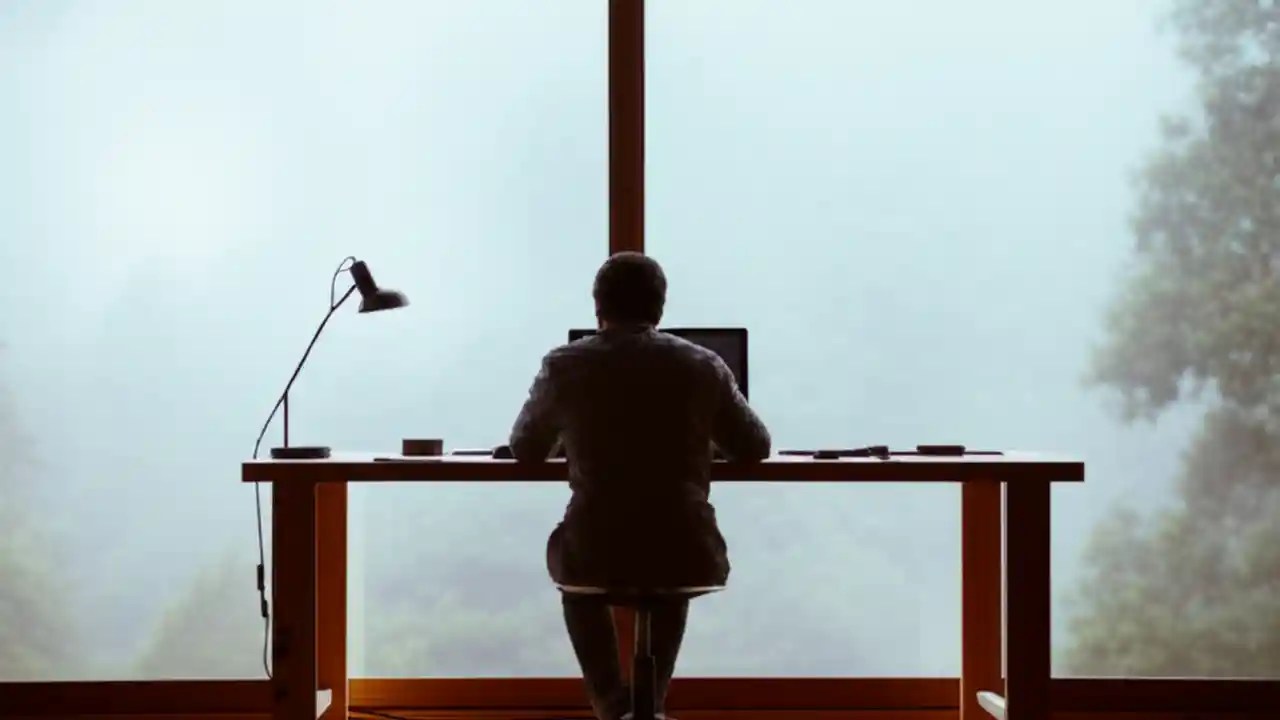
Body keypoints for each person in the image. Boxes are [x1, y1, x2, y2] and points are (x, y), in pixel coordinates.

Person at [508, 252, 772, 720]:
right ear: (660, 309)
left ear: (597, 308)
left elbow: (526, 448)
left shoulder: (564, 365)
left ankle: (612, 705)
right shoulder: (704, 365)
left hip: (595, 549)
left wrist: (575, 438)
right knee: (669, 570)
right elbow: (754, 446)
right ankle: (651, 705)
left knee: (578, 586)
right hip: (685, 547)